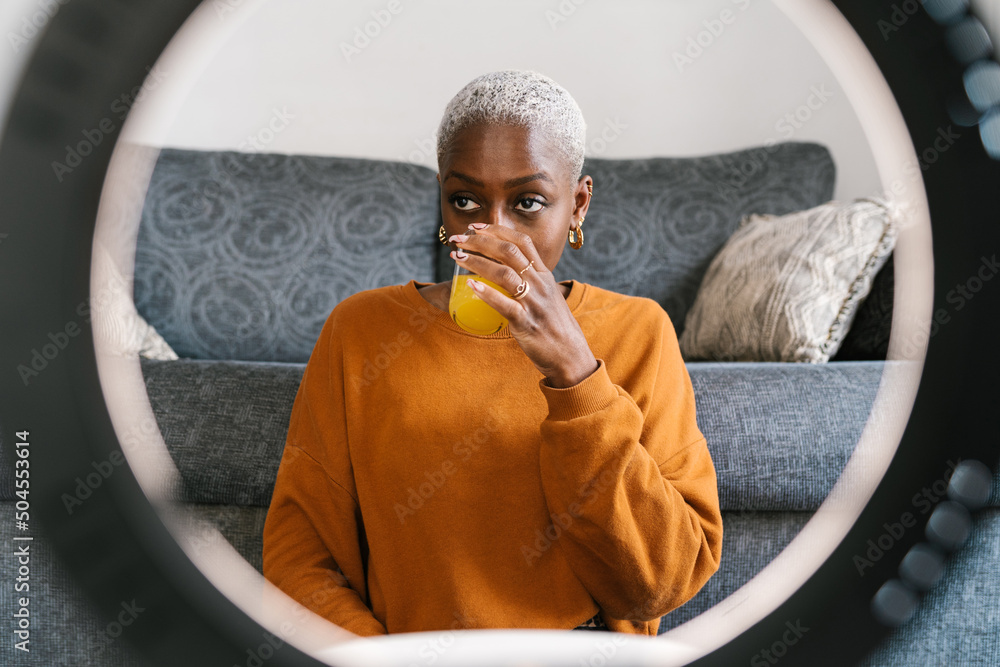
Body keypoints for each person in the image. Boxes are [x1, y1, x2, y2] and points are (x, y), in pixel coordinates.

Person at [262, 69, 722, 637]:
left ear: (577, 206)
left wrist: (576, 376)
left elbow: (660, 583)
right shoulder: (361, 330)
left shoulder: (638, 330)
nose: (491, 232)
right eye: (464, 201)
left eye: (528, 202)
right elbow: (299, 561)